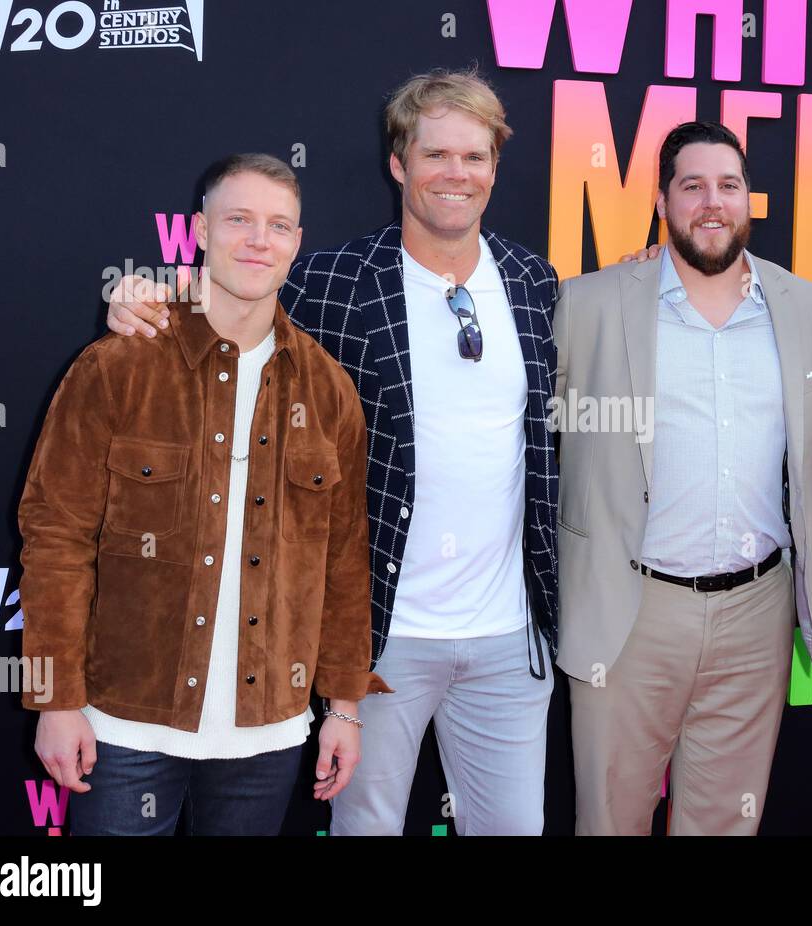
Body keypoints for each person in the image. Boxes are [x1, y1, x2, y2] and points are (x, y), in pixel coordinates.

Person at [105, 69, 559, 836]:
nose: (457, 174)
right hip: (379, 640)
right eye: (436, 155)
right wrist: (146, 294)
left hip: (508, 641)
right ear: (398, 164)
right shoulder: (331, 280)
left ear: (495, 168)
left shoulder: (533, 281)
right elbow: (237, 290)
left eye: (475, 158)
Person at [21, 153, 388, 835]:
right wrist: (55, 699)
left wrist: (343, 706)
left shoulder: (328, 390)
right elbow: (56, 539)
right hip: (125, 722)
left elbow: (343, 563)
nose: (259, 240)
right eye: (239, 220)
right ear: (198, 229)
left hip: (268, 734)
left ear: (297, 243)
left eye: (279, 225)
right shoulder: (119, 365)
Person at [557, 122, 812, 835]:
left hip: (759, 613)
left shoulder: (810, 310)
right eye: (692, 186)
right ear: (662, 200)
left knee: (725, 824)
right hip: (629, 612)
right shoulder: (589, 304)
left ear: (750, 198)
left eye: (728, 185)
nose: (712, 203)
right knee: (610, 821)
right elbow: (531, 438)